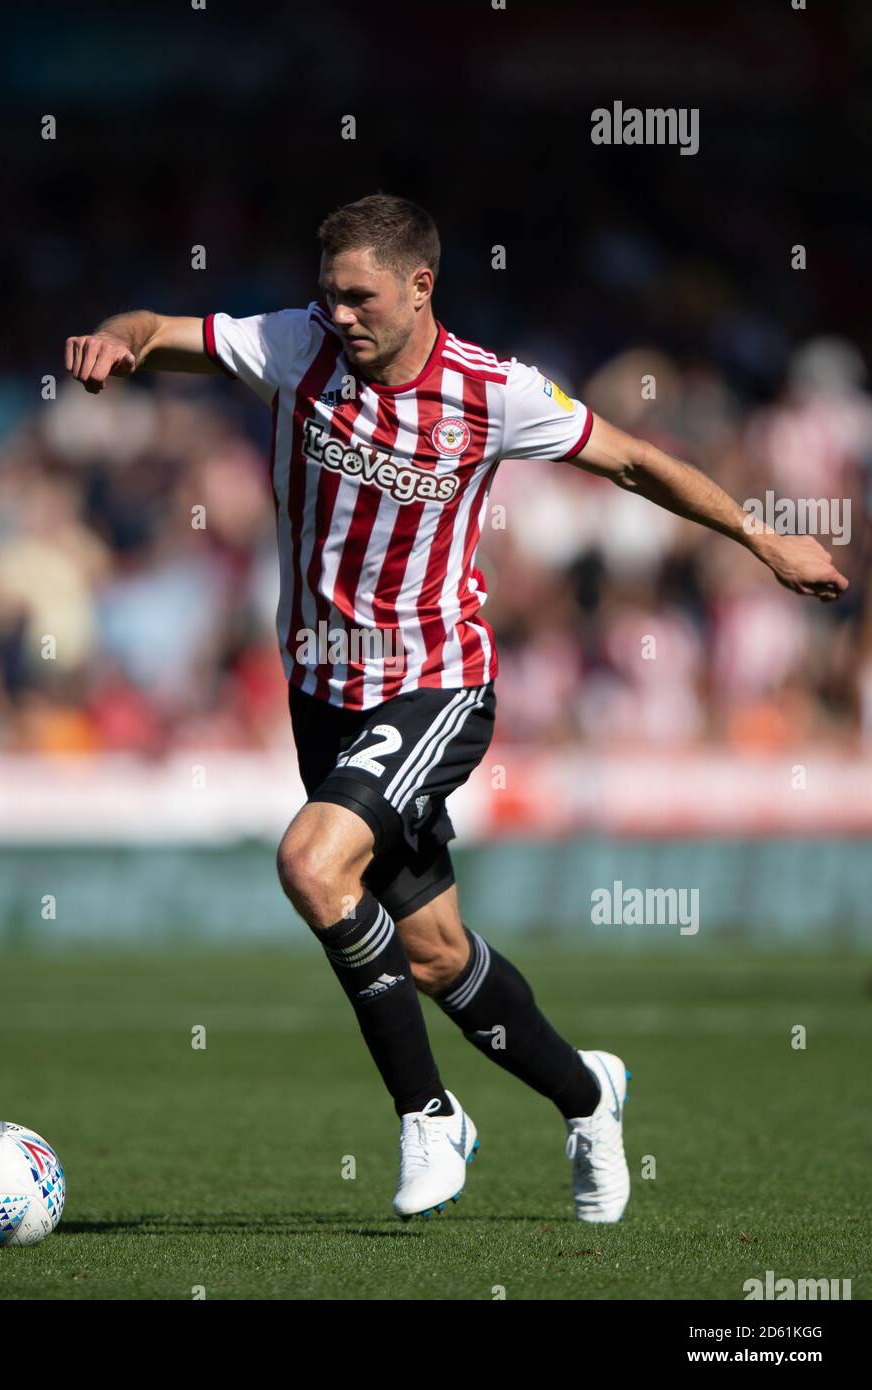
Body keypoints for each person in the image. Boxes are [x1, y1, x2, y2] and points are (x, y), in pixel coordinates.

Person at [65, 193, 847, 1222]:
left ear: (420, 287)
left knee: (310, 861)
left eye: (359, 297)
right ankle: (588, 1094)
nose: (337, 314)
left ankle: (429, 1113)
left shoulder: (495, 392)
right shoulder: (291, 343)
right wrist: (114, 342)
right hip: (322, 691)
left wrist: (762, 540)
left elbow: (636, 460)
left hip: (433, 682)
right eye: (327, 294)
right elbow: (159, 332)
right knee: (432, 951)